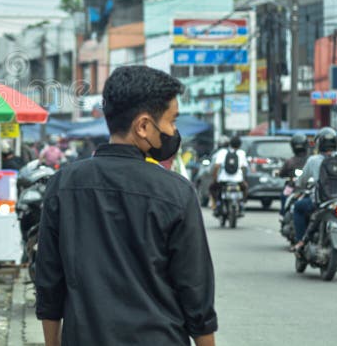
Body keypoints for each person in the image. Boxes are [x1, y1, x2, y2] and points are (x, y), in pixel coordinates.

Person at [35, 65, 217, 346]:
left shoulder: (63, 185)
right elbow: (195, 293)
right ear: (143, 126)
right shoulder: (177, 193)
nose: (173, 131)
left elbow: (49, 282)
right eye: (171, 121)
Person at [292, 127, 337, 252]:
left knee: (298, 207)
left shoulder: (313, 160)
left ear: (318, 143)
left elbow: (302, 181)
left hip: (320, 201)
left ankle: (300, 241)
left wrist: (299, 186)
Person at [209, 135, 249, 217]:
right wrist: (243, 179)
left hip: (223, 180)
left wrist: (215, 178)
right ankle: (241, 204)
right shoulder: (242, 153)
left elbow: (216, 167)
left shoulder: (222, 152)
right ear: (240, 145)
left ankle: (217, 204)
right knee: (245, 188)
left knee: (212, 188)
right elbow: (244, 168)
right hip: (238, 180)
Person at [279, 133, 309, 215]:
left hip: (307, 188)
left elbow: (281, 173)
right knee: (284, 195)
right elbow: (282, 173)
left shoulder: (290, 161)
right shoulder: (310, 160)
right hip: (295, 187)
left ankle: (283, 213)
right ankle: (284, 213)